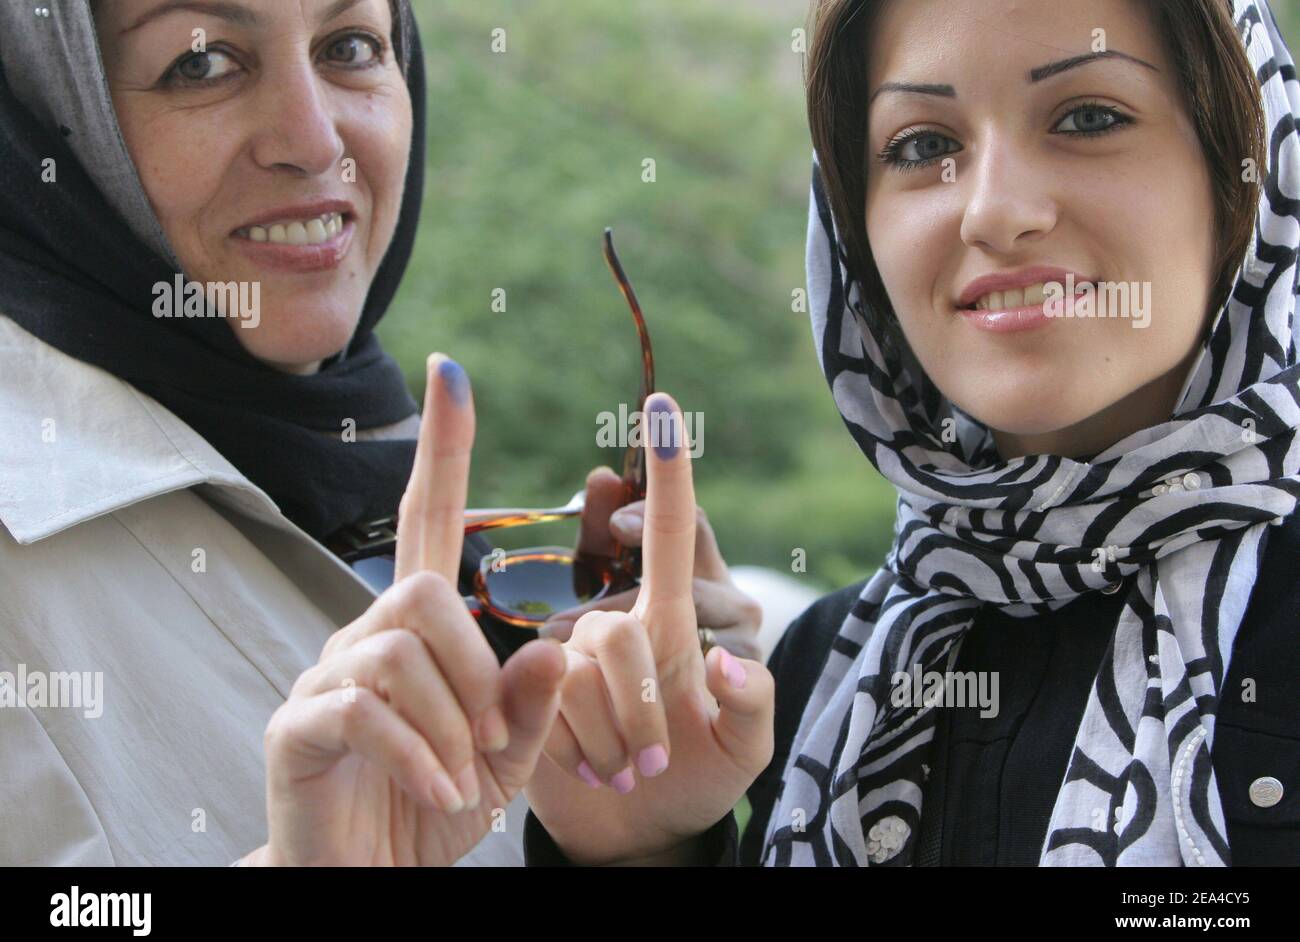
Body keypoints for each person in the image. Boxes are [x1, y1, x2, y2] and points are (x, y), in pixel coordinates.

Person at [519, 0, 1300, 866]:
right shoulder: (819, 680)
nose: (995, 212)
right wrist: (646, 848)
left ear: (1248, 169)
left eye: (1088, 118)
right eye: (925, 145)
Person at [0, 0, 761, 866]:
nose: (314, 139)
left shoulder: (406, 510)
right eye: (202, 63)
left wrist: (633, 842)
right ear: (43, 109)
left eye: (350, 46)